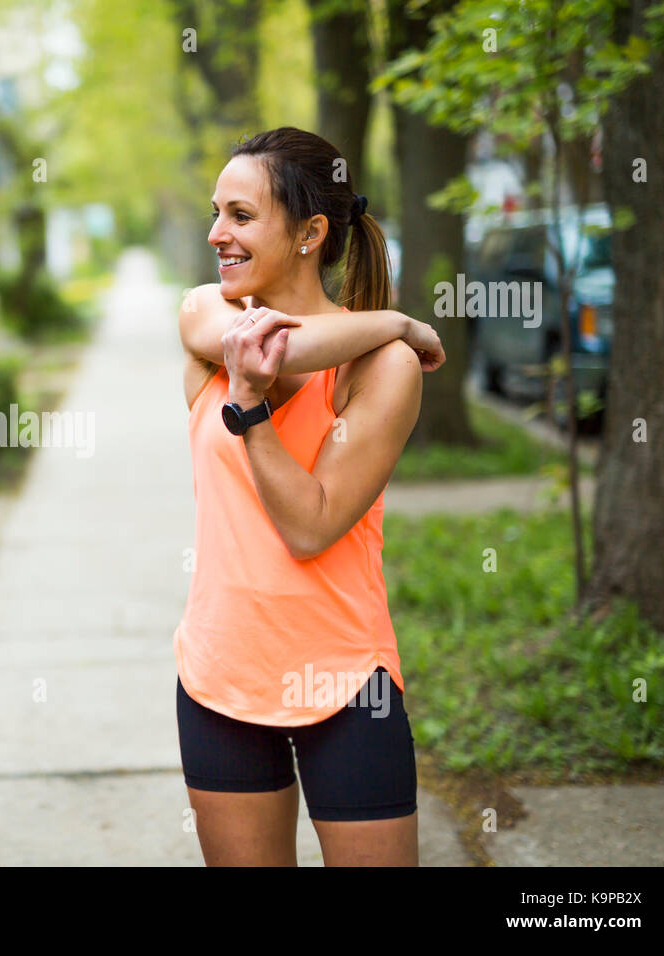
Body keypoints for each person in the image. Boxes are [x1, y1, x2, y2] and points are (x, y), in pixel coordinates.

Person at [174, 126, 447, 866]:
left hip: (347, 683)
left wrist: (256, 411)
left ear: (310, 232)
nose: (216, 234)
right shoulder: (206, 315)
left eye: (239, 215)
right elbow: (272, 347)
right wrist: (398, 318)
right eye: (215, 213)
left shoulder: (382, 367)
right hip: (220, 676)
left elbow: (310, 525)